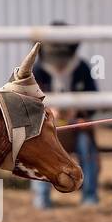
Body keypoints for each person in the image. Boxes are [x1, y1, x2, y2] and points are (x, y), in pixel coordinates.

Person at [30, 31, 100, 210]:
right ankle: (42, 198)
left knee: (87, 145)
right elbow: (29, 103)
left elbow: (94, 99)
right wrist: (48, 112)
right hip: (48, 129)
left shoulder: (82, 68)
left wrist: (81, 113)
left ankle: (90, 196)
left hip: (75, 127)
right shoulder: (37, 70)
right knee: (40, 152)